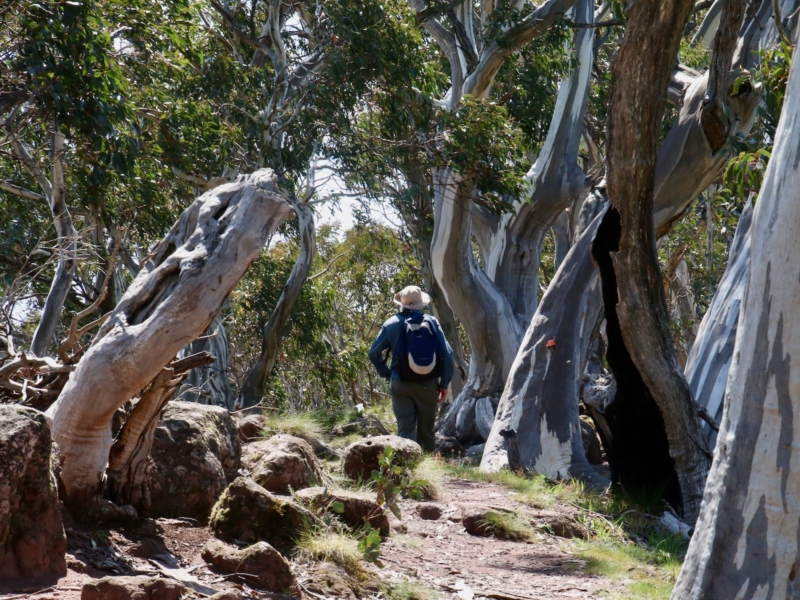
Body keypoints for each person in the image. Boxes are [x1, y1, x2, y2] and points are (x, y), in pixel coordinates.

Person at [368, 285, 454, 452]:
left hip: (401, 383)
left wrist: (388, 374)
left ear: (402, 303)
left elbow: (373, 353)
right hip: (428, 384)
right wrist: (444, 384)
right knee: (427, 431)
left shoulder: (391, 323)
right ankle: (428, 466)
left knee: (405, 430)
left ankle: (408, 464)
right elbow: (448, 354)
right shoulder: (432, 322)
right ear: (421, 303)